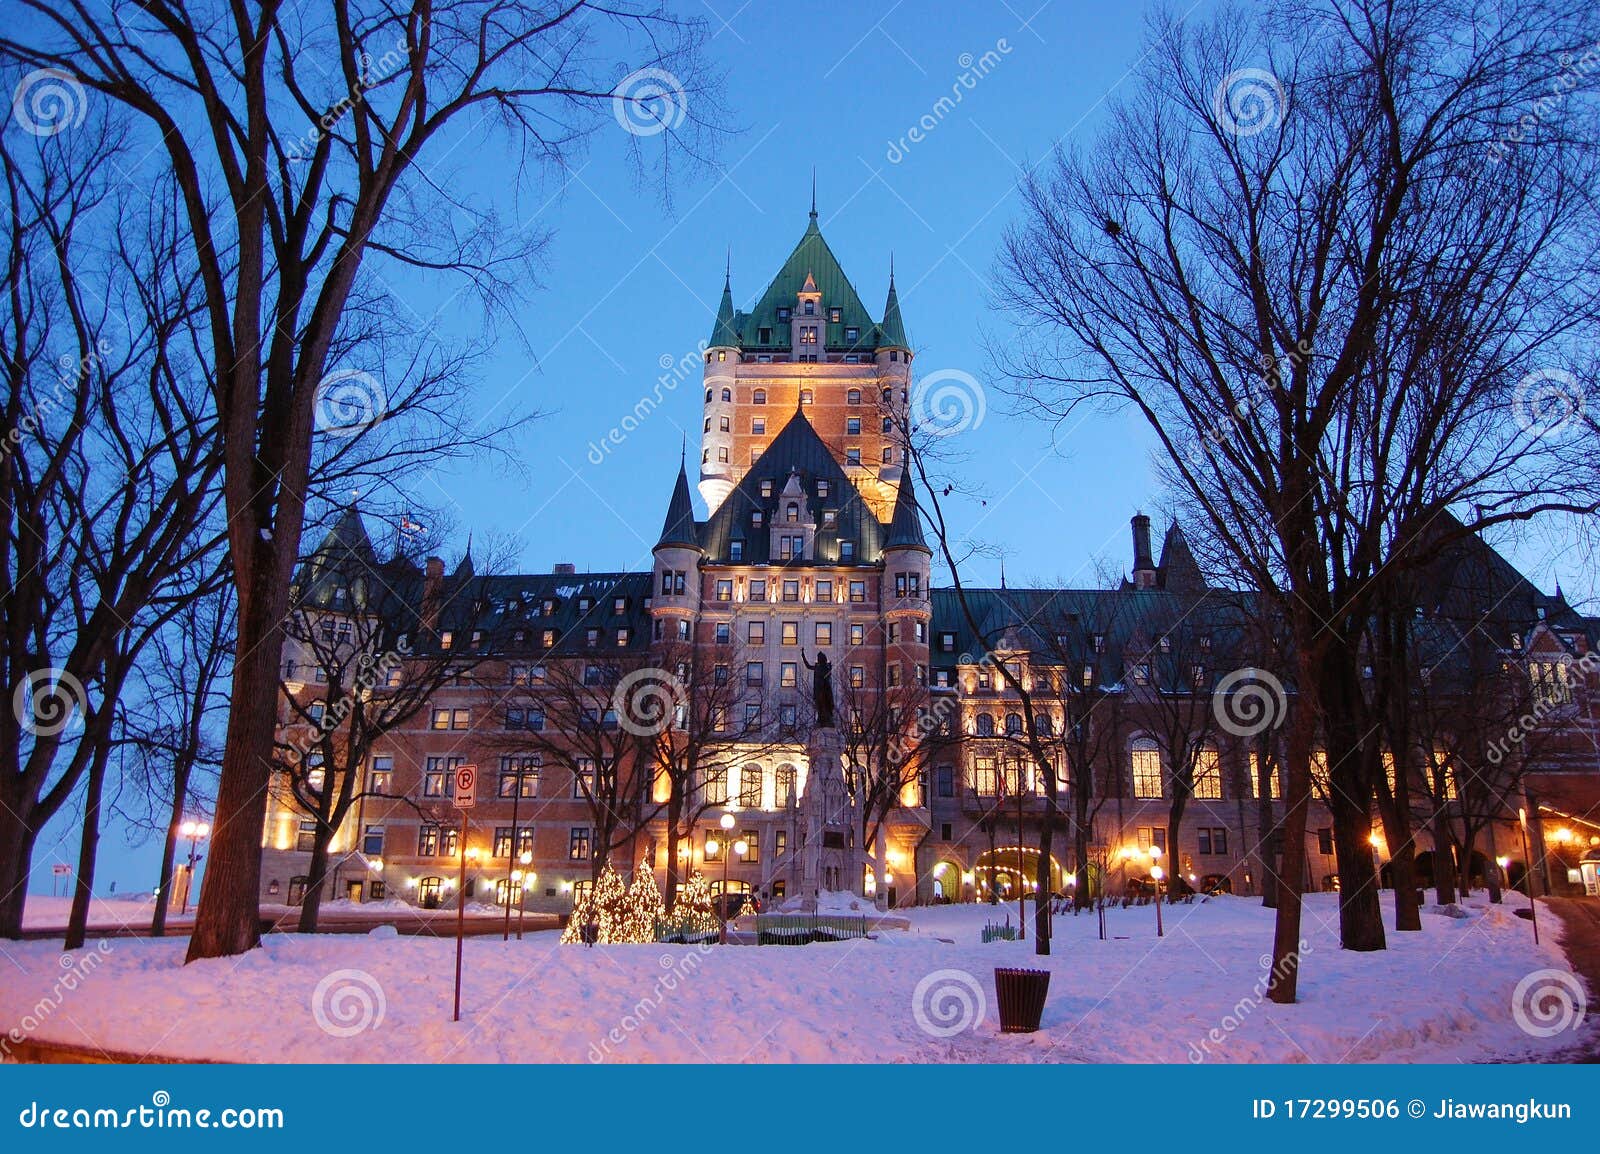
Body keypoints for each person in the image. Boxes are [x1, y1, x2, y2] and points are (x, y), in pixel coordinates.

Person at [800, 649, 835, 729]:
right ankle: (820, 719)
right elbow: (808, 666)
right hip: (818, 688)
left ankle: (827, 718)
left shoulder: (827, 667)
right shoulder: (817, 667)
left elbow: (828, 677)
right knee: (818, 704)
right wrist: (803, 656)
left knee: (826, 703)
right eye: (818, 658)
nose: (819, 659)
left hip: (825, 688)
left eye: (820, 658)